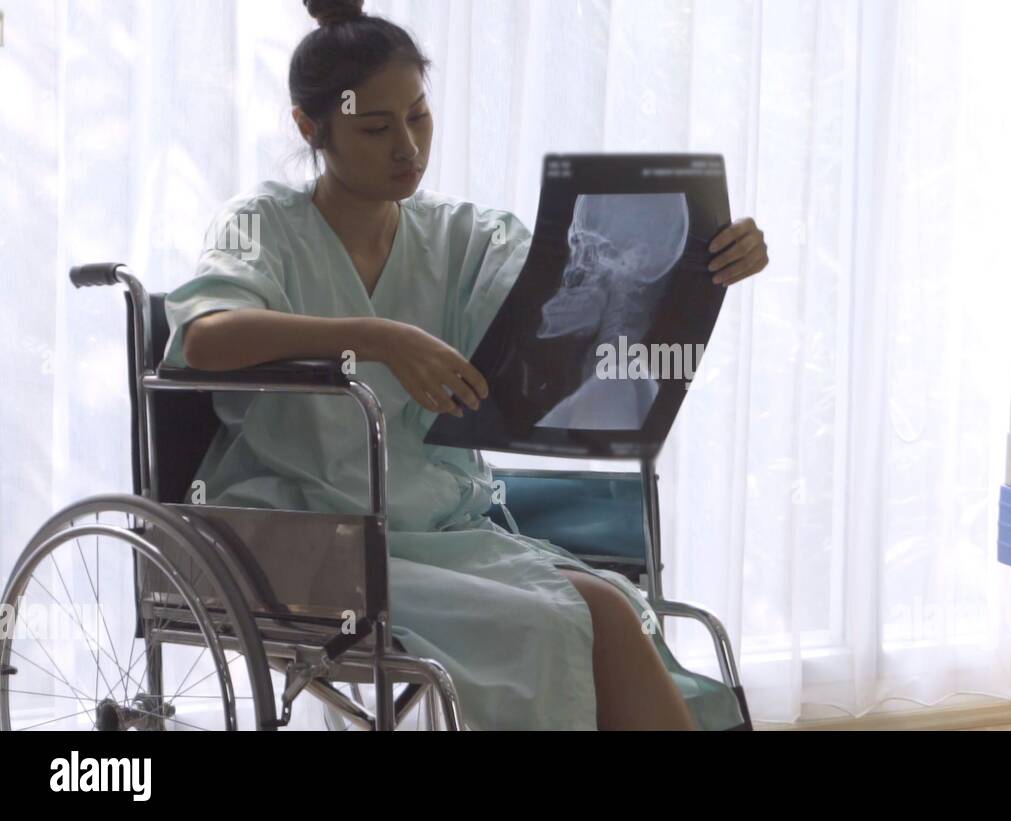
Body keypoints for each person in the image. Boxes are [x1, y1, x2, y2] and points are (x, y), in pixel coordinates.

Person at [163, 0, 770, 730]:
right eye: (376, 127)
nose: (408, 147)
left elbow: (562, 304)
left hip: (441, 524)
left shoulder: (461, 235)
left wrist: (706, 264)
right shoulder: (258, 222)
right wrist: (375, 335)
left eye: (419, 116)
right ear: (309, 127)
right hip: (311, 533)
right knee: (563, 624)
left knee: (615, 609)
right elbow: (206, 336)